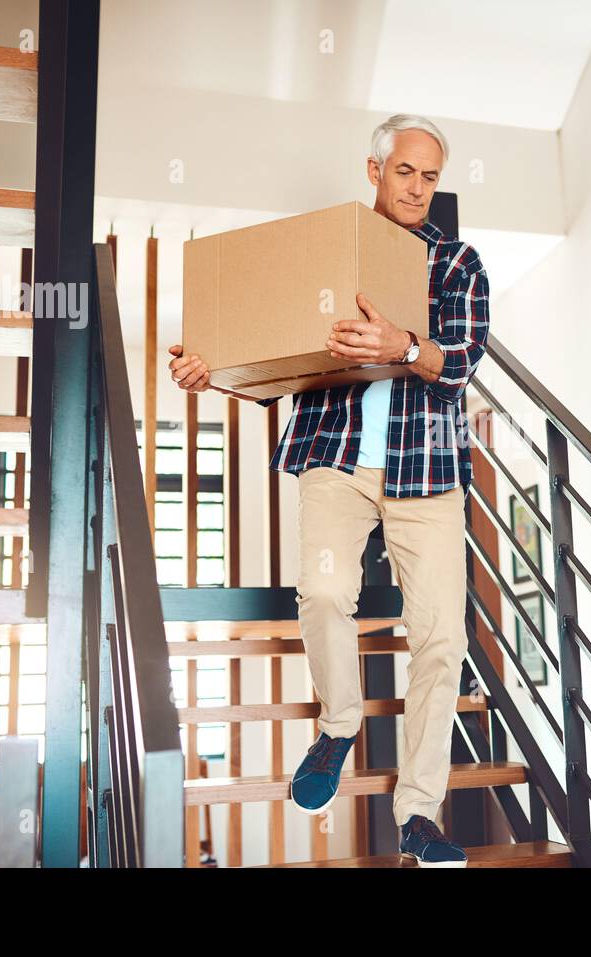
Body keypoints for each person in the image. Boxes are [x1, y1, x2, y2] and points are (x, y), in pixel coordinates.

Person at [168, 114, 490, 867]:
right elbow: (271, 357)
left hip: (426, 467)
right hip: (335, 455)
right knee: (322, 592)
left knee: (441, 637)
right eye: (404, 171)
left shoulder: (456, 261)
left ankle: (418, 812)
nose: (417, 187)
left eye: (430, 176)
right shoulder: (324, 250)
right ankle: (339, 725)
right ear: (374, 171)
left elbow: (465, 357)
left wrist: (406, 345)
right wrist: (211, 370)